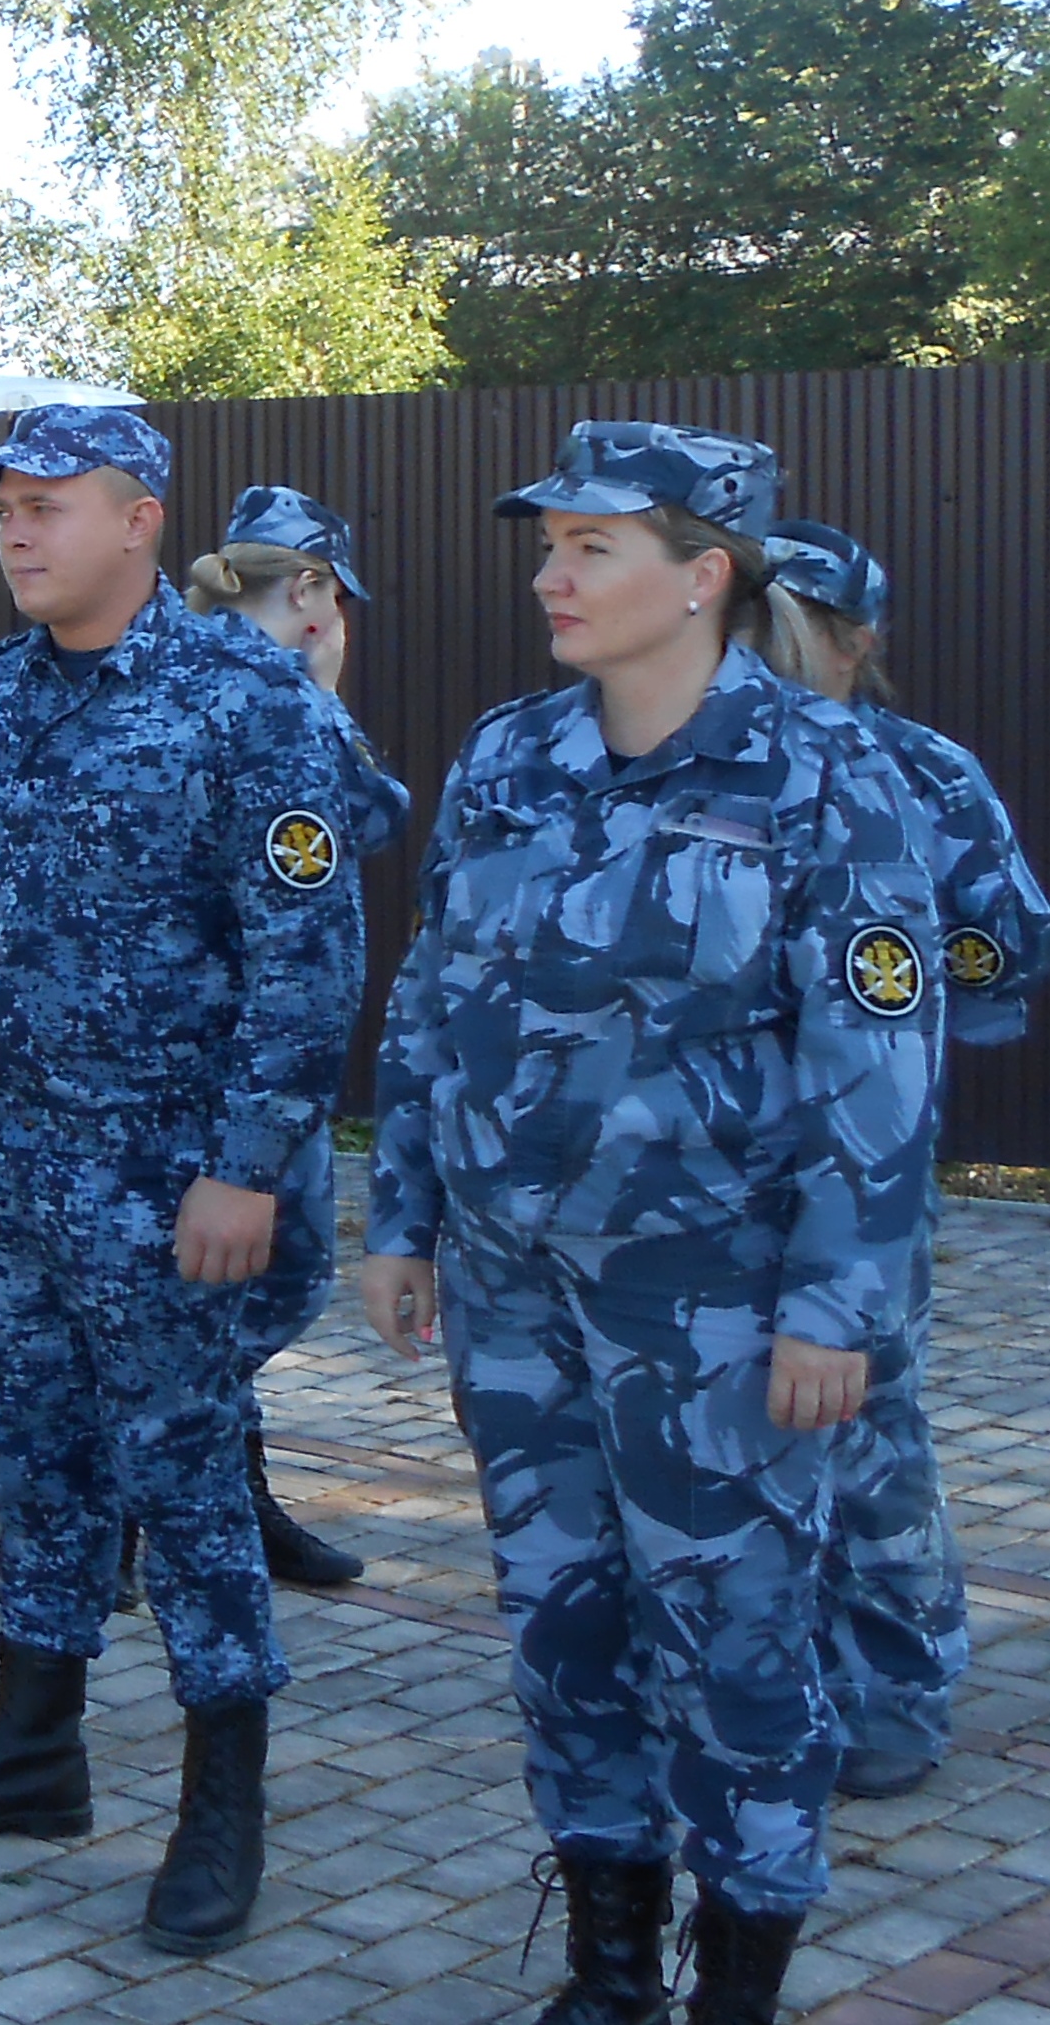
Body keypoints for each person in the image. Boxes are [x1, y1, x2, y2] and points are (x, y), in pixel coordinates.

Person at [360, 425, 943, 2025]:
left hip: (719, 1308)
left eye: (593, 547)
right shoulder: (504, 756)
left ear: (704, 575)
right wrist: (401, 1210)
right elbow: (432, 997)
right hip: (512, 1288)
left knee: (741, 1652)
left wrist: (837, 1304)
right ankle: (609, 1969)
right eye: (546, 541)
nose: (550, 574)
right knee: (564, 1626)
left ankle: (734, 1986)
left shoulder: (830, 777)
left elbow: (877, 1063)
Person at [0, 403, 364, 1958]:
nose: (15, 529)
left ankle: (222, 1794)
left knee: (187, 1485)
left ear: (140, 517)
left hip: (163, 1187)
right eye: (3, 505)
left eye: (49, 504)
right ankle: (34, 1742)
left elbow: (306, 954)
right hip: (1, 1180)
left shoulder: (250, 701)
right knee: (39, 1457)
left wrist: (248, 1167)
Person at [760, 516, 1045, 1801]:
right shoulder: (681, 753)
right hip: (709, 1168)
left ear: (858, 636)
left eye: (800, 619)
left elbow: (1006, 940)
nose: (770, 638)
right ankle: (765, 1671)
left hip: (861, 1163)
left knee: (870, 1422)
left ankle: (897, 1681)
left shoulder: (923, 771)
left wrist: (911, 1002)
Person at [180, 483, 409, 1594]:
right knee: (269, 1279)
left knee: (222, 1293)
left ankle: (224, 1488)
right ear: (313, 589)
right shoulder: (264, 686)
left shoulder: (169, 658)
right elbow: (371, 815)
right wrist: (322, 684)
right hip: (247, 1051)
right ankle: (178, 1486)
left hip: (221, 1047)